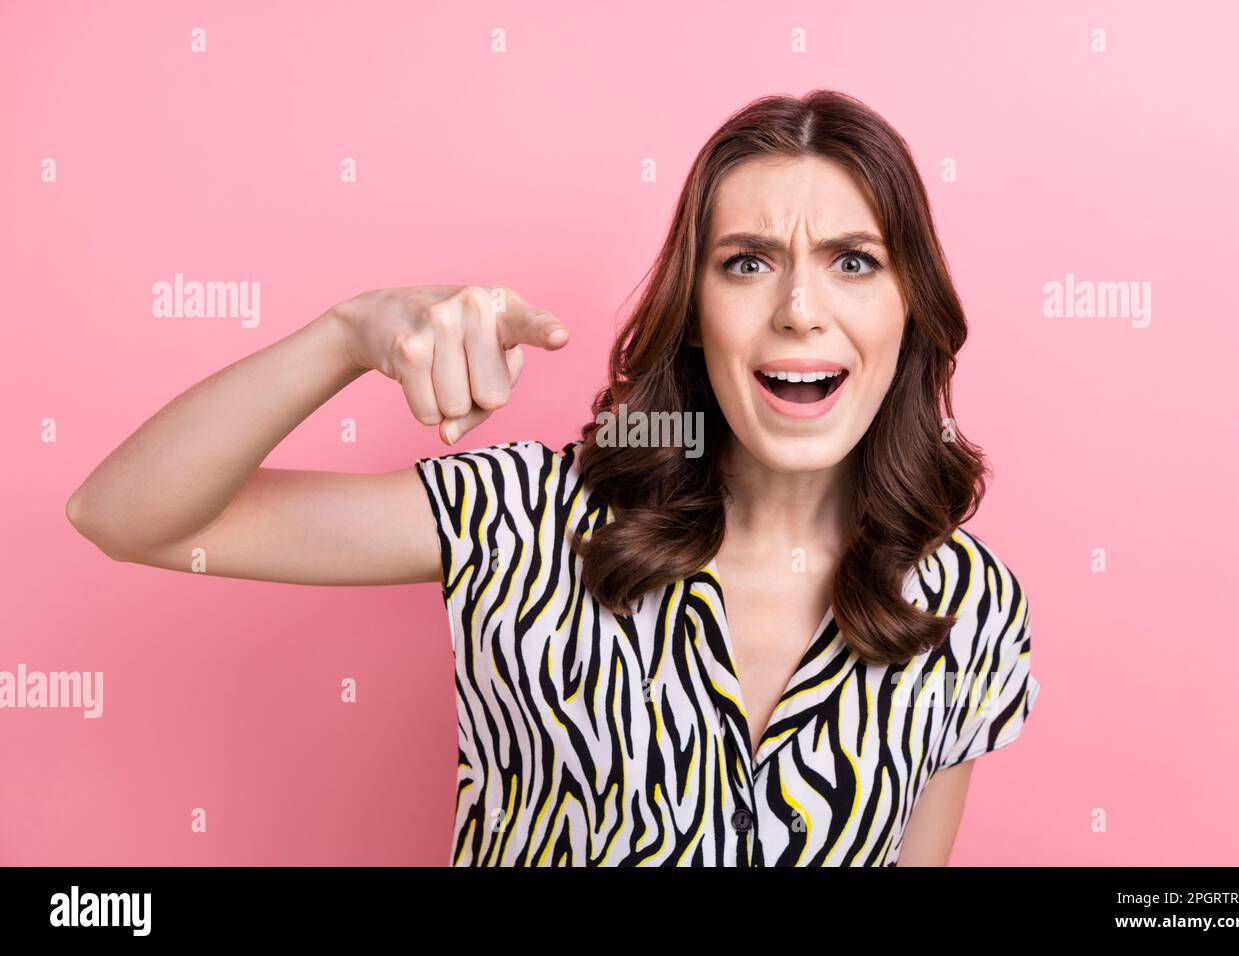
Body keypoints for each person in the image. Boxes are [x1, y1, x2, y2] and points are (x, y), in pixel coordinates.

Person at [67, 88, 1041, 866]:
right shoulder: (528, 519)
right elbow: (127, 516)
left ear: (909, 310)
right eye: (746, 262)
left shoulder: (967, 605)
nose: (797, 308)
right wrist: (347, 333)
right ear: (695, 313)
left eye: (853, 262)